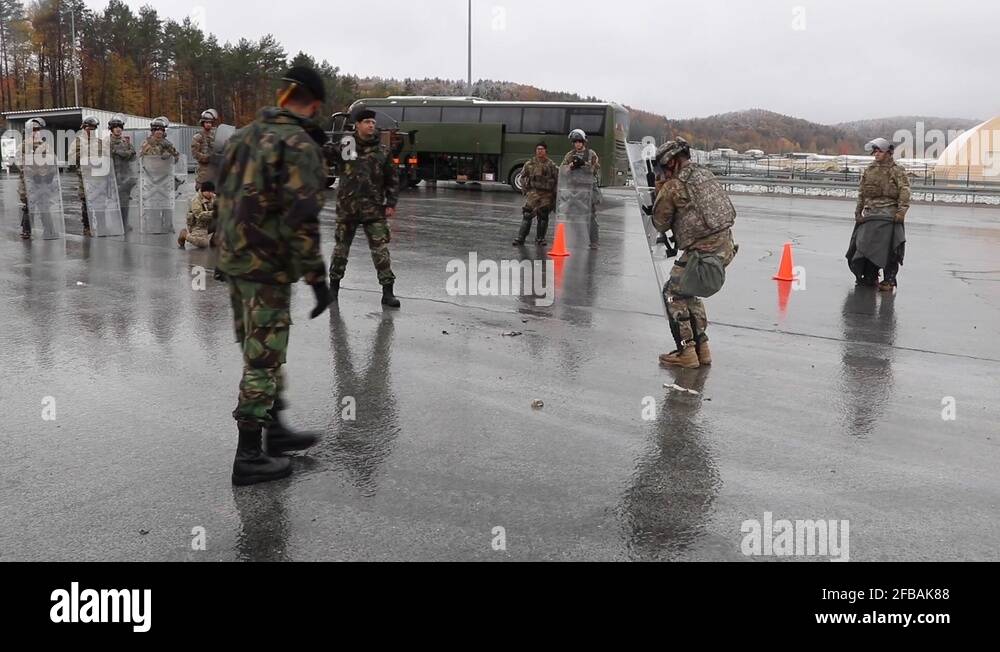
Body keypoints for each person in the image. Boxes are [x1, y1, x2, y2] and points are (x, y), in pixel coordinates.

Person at [216, 65, 332, 486]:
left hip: (235, 263)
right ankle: (248, 456)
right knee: (262, 359)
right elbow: (302, 220)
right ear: (314, 103)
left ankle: (276, 431)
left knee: (262, 350)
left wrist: (221, 256)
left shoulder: (241, 136)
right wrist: (317, 279)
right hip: (265, 267)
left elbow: (218, 196)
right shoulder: (298, 143)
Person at [652, 138, 738, 369]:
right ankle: (703, 348)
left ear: (671, 162)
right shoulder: (704, 174)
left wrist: (659, 192)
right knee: (688, 290)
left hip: (704, 251)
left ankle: (686, 351)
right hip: (725, 246)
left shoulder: (674, 185)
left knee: (672, 292)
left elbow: (660, 223)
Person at [329, 108, 401, 308]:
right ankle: (333, 290)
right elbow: (331, 156)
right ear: (358, 125)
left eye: (373, 122)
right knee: (341, 250)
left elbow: (392, 180)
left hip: (374, 209)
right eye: (367, 122)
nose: (371, 125)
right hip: (348, 208)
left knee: (381, 251)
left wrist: (391, 203)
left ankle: (388, 293)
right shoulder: (348, 145)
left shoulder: (382, 150)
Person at [848, 138, 909, 292]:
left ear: (888, 152)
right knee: (864, 246)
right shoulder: (869, 170)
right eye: (874, 151)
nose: (876, 154)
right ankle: (870, 276)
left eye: (879, 151)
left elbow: (904, 191)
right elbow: (862, 192)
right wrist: (858, 211)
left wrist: (901, 211)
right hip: (870, 215)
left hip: (889, 216)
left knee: (889, 249)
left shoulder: (897, 170)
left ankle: (888, 280)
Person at [561, 129, 602, 249]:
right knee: (572, 215)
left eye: (580, 141)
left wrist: (583, 164)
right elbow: (562, 170)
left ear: (584, 142)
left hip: (587, 189)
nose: (577, 144)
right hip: (574, 189)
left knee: (590, 216)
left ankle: (594, 241)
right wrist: (571, 166)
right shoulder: (569, 155)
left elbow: (595, 169)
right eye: (575, 142)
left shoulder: (591, 154)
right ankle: (576, 239)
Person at [513, 142, 559, 246]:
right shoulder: (530, 164)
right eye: (538, 149)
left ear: (546, 151)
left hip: (546, 194)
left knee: (543, 216)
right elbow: (522, 176)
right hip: (533, 193)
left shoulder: (551, 165)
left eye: (542, 149)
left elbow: (557, 179)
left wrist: (554, 194)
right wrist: (525, 189)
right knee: (527, 214)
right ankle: (520, 238)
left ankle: (540, 239)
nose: (540, 151)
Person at [69, 115, 101, 237]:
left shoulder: (99, 142)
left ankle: (99, 225)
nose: (91, 131)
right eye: (89, 128)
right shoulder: (77, 142)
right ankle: (87, 227)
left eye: (94, 128)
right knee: (86, 202)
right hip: (85, 176)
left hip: (98, 176)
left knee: (99, 201)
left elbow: (107, 157)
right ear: (84, 128)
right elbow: (72, 159)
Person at [17, 117, 48, 240]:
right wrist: (35, 172)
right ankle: (26, 230)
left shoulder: (45, 146)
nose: (37, 132)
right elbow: (22, 163)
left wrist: (49, 172)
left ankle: (49, 230)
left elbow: (51, 162)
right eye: (34, 130)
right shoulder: (23, 146)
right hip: (29, 182)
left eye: (38, 130)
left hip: (43, 183)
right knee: (29, 207)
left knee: (45, 206)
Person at [108, 116, 137, 231]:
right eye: (115, 127)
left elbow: (133, 154)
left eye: (120, 127)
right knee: (113, 202)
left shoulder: (126, 142)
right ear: (111, 129)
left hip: (125, 177)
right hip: (112, 175)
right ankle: (115, 224)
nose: (118, 129)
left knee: (125, 202)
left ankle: (124, 223)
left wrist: (119, 152)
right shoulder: (106, 142)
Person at [178, 181, 216, 249]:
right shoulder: (195, 200)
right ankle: (185, 235)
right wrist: (215, 213)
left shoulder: (213, 197)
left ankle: (214, 241)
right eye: (209, 192)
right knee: (203, 244)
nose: (211, 194)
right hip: (198, 225)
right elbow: (200, 216)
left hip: (209, 223)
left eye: (212, 192)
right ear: (204, 191)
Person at [191, 109, 219, 191]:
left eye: (210, 122)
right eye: (206, 122)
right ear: (203, 123)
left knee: (215, 190)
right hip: (203, 168)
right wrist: (207, 158)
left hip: (214, 167)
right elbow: (195, 153)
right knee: (202, 189)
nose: (208, 124)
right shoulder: (198, 136)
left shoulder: (215, 135)